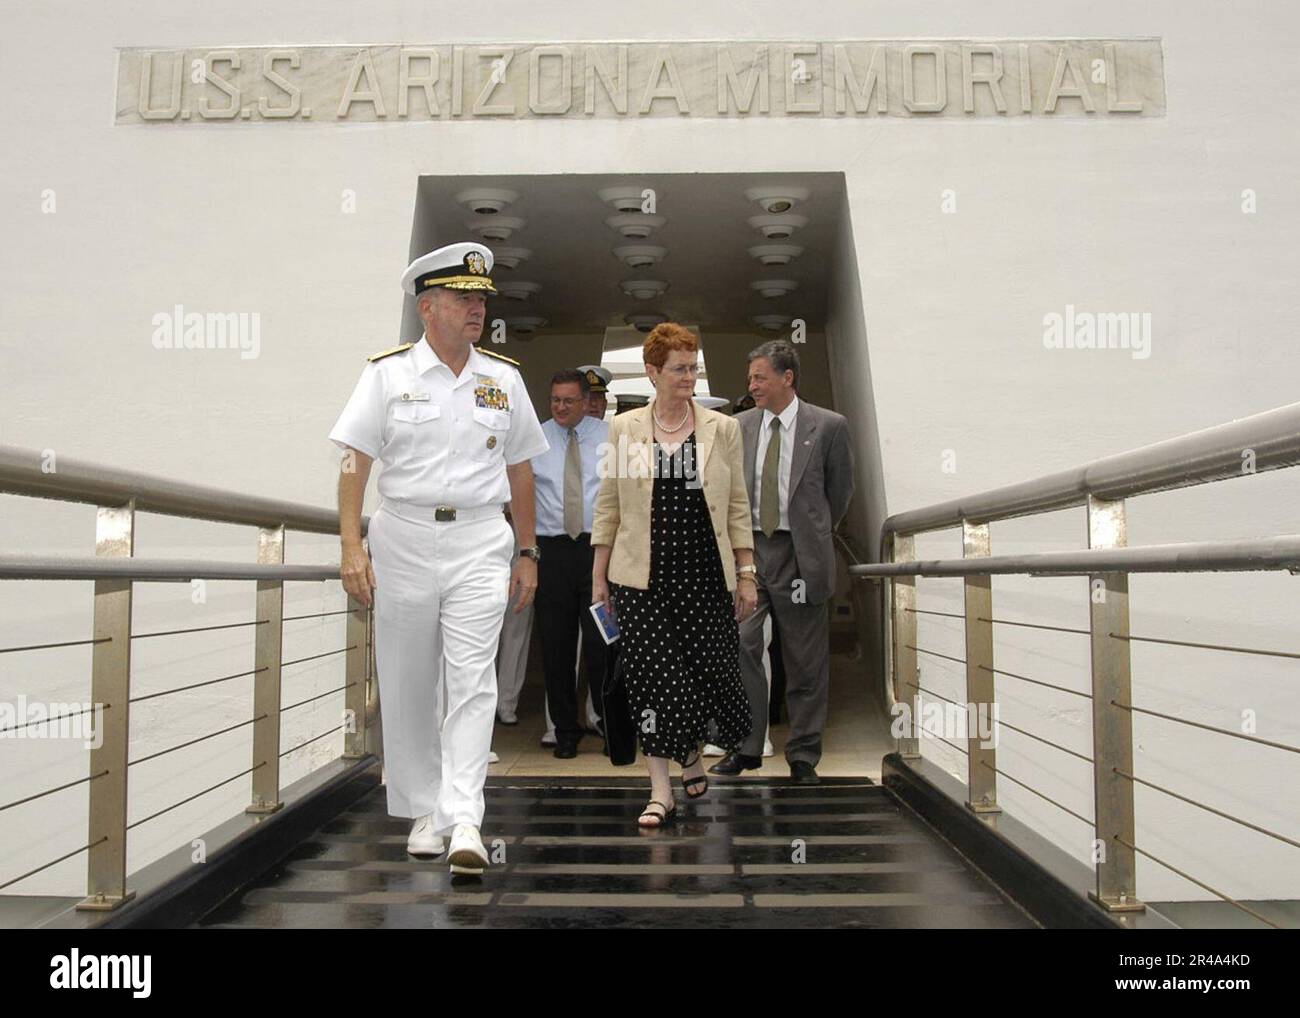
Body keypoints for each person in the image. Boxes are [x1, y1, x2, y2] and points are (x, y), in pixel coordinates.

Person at [330, 241, 548, 873]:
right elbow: (353, 461)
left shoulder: (502, 380)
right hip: (402, 538)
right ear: (428, 308)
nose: (477, 309)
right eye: (463, 298)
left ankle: (465, 818)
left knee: (473, 680)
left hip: (481, 539)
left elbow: (522, 471)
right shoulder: (387, 375)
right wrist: (351, 545)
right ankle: (424, 811)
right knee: (407, 679)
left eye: (481, 299)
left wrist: (527, 550)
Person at [591, 322, 757, 827]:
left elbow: (736, 506)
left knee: (705, 676)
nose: (689, 377)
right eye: (679, 369)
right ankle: (659, 788)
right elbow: (610, 506)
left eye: (693, 367)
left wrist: (747, 573)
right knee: (653, 682)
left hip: (705, 575)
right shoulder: (625, 429)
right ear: (652, 373)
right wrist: (599, 578)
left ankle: (690, 752)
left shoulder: (721, 428)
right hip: (641, 579)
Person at [711, 340, 854, 785]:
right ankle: (747, 746)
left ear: (787, 378)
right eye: (751, 377)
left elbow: (840, 494)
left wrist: (811, 534)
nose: (751, 385)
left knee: (805, 659)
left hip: (800, 555)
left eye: (760, 377)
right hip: (750, 553)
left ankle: (804, 756)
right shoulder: (738, 427)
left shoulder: (828, 427)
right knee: (742, 645)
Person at [532, 368, 611, 758]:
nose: (561, 407)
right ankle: (565, 730)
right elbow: (521, 499)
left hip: (598, 554)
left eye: (569, 401)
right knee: (556, 647)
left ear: (586, 401)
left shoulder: (610, 437)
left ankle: (612, 727)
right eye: (555, 400)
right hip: (552, 553)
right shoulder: (535, 437)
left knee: (604, 645)